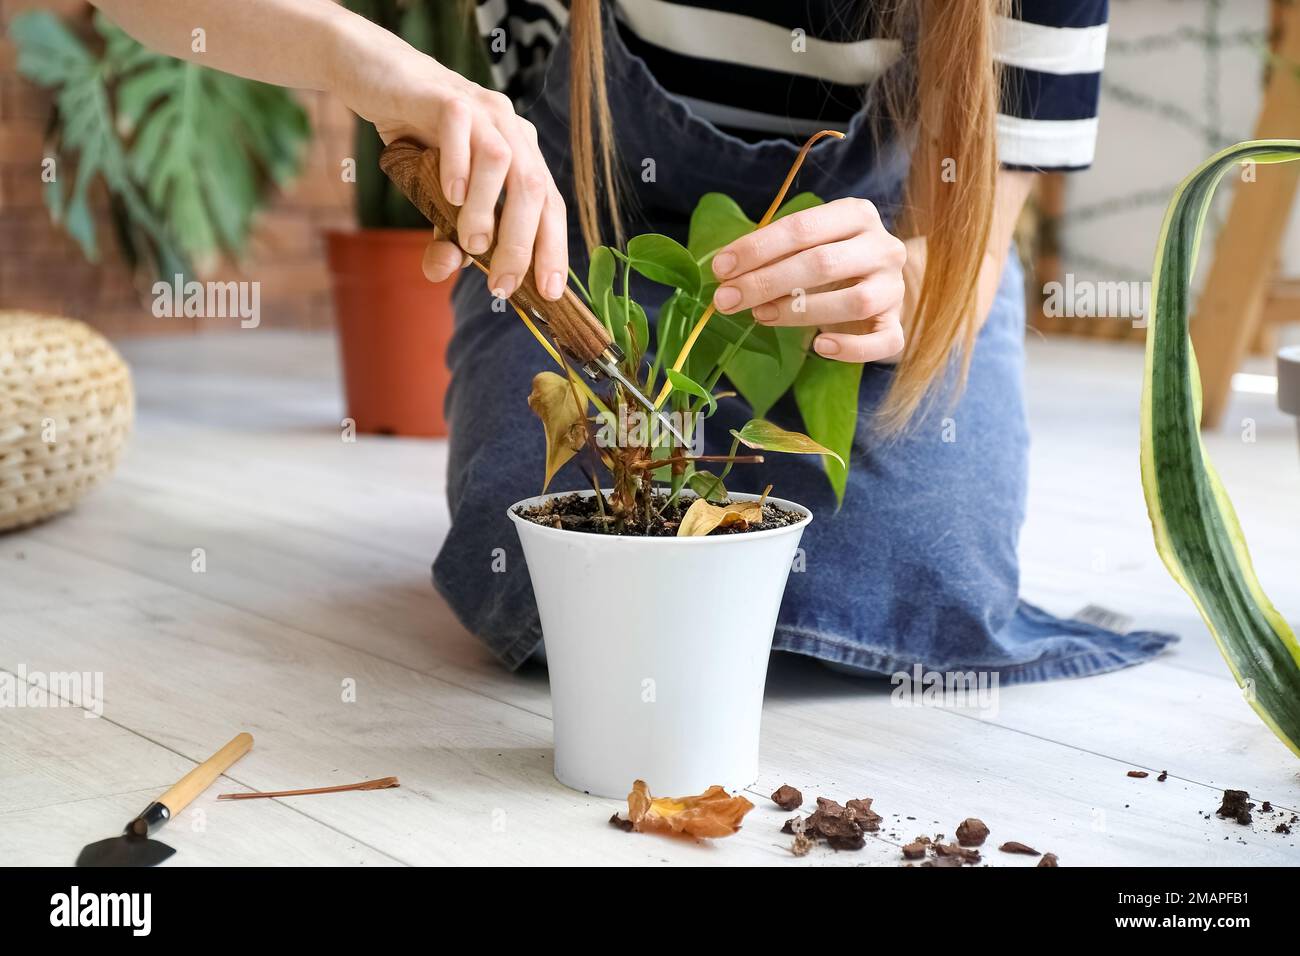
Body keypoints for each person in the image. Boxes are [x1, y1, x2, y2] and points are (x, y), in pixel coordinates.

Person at [93, 0, 1175, 680]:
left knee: (912, 569)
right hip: (584, 232)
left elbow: (979, 230)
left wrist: (911, 277)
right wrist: (373, 65)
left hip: (874, 248)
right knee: (530, 569)